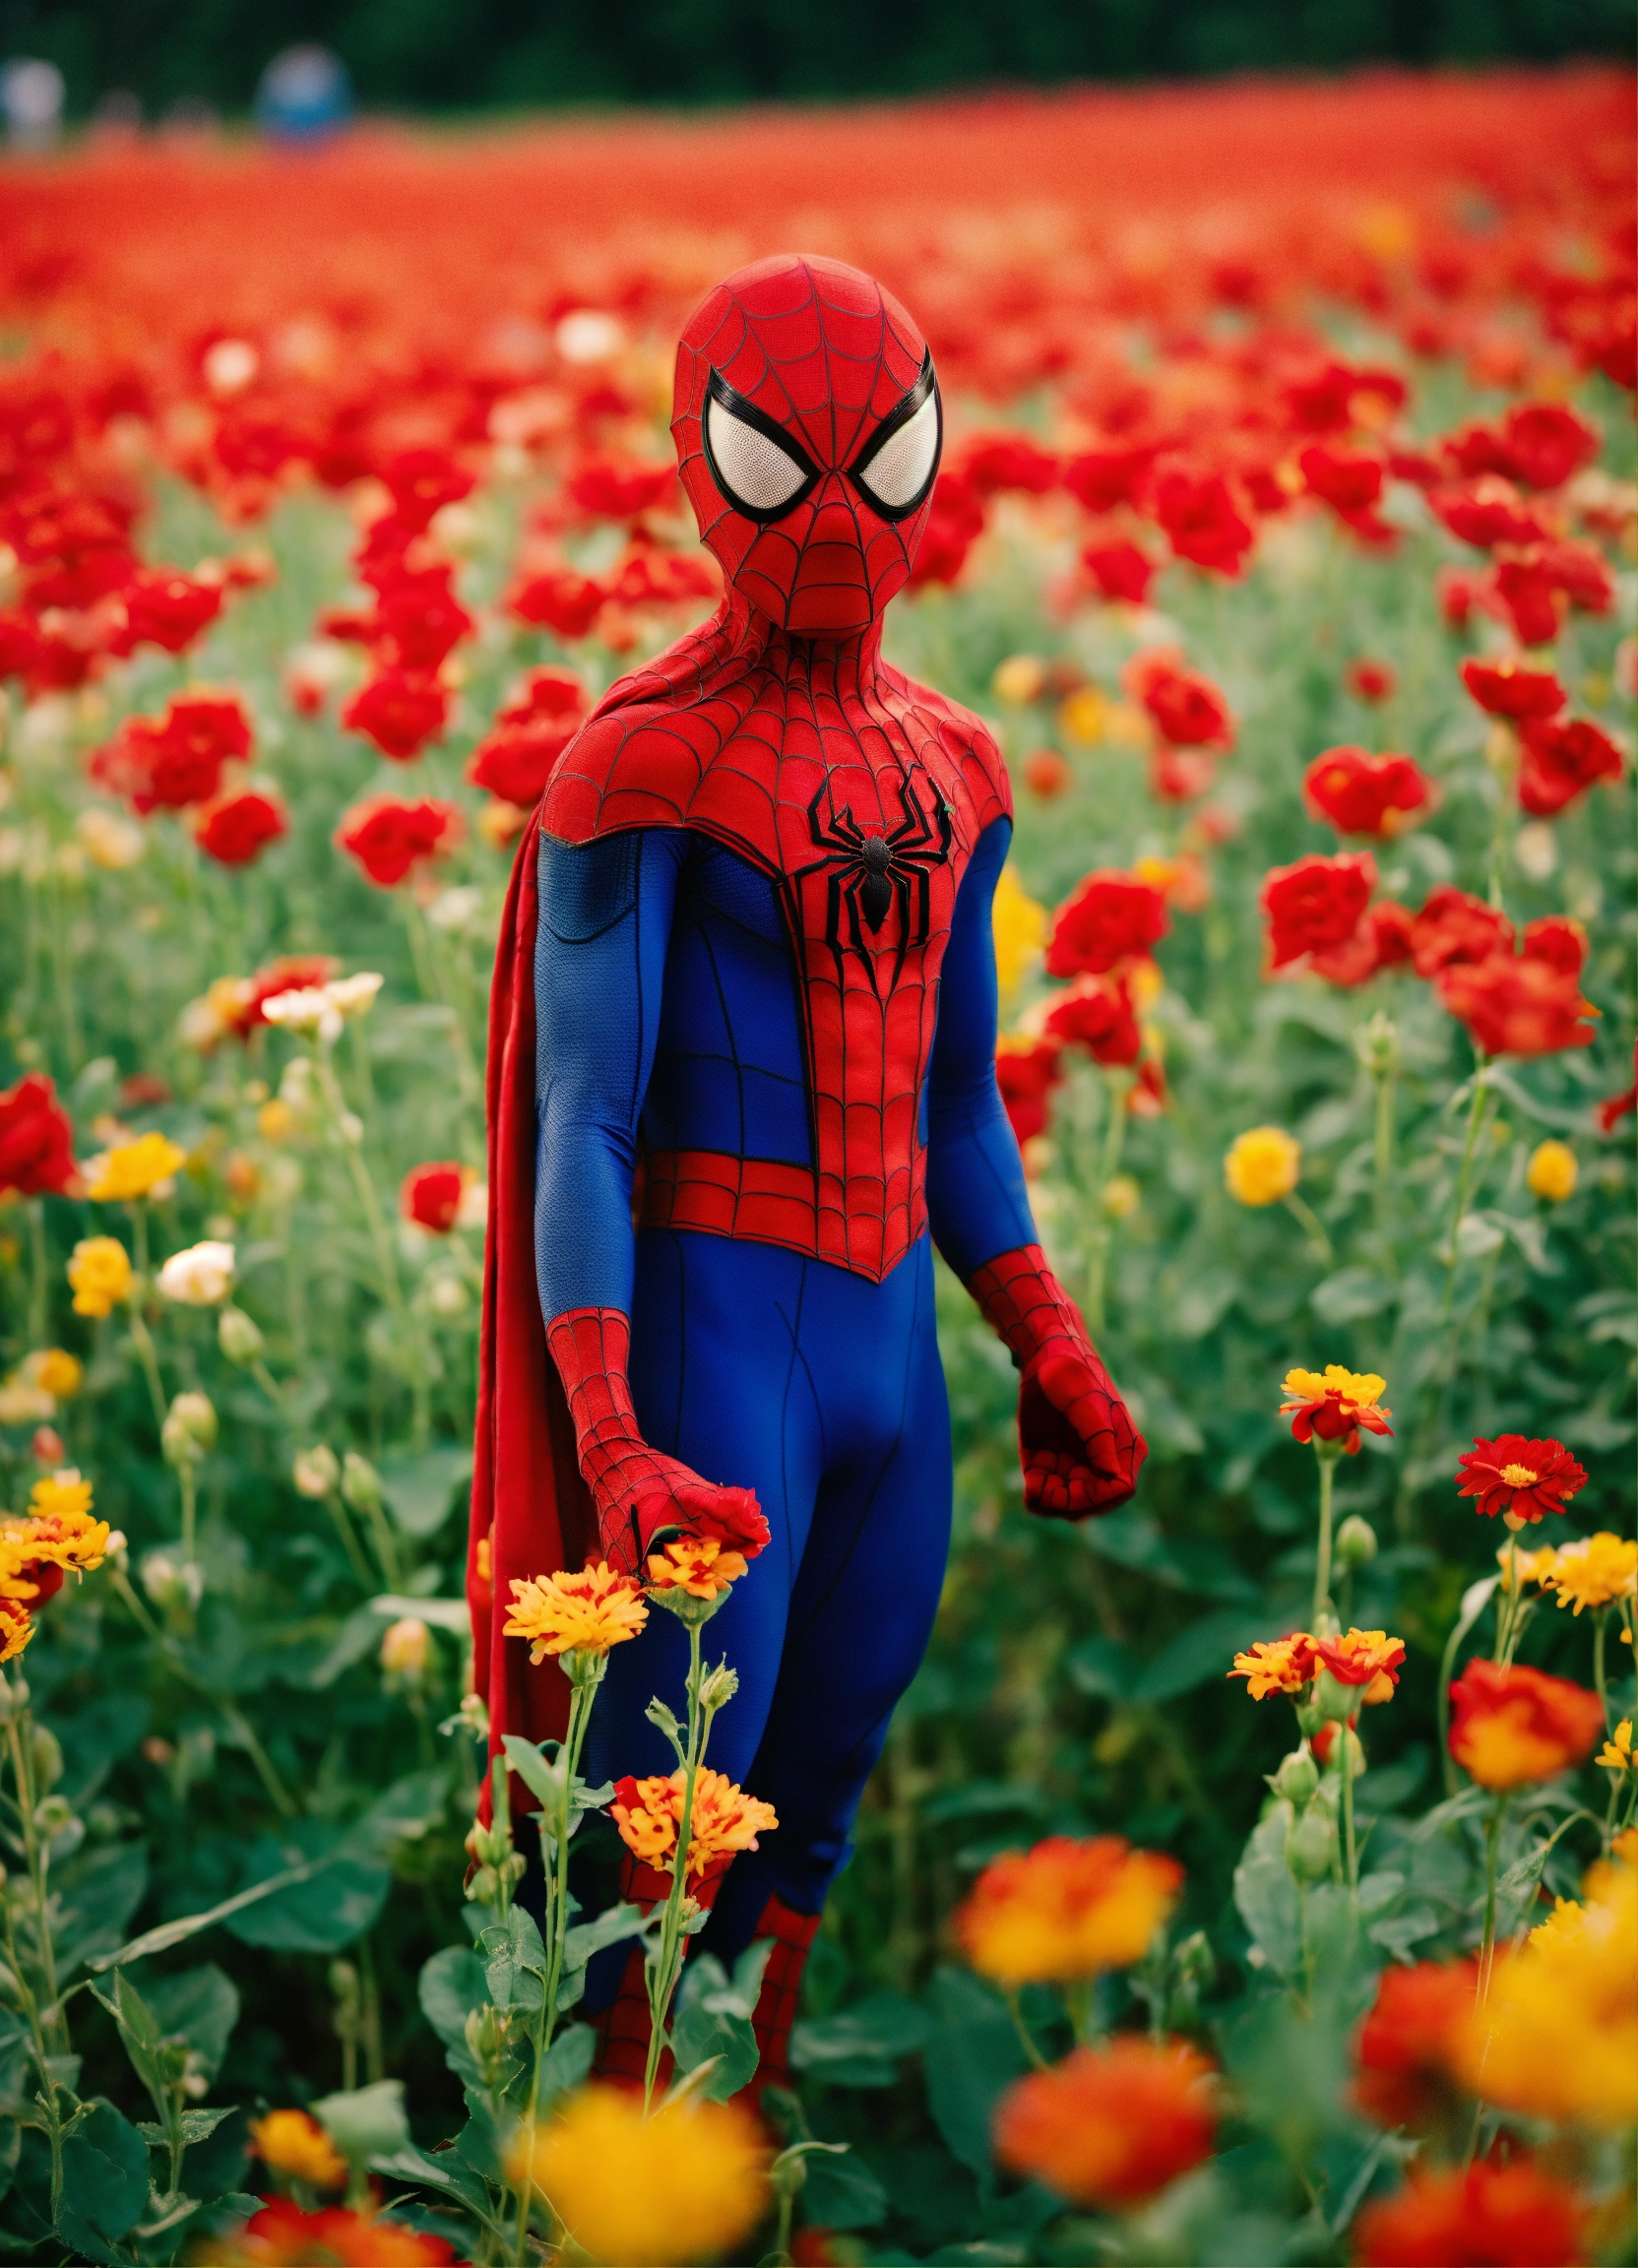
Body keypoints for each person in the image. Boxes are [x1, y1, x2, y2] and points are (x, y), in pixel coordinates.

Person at [469, 252, 1146, 2093]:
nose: (836, 513)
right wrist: (608, 1430)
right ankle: (615, 2178)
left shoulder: (962, 763)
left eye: (880, 455)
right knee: (652, 1848)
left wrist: (1046, 1338)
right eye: (788, 463)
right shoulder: (639, 765)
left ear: (931, 456)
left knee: (812, 1811)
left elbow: (958, 1105)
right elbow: (586, 1117)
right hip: (709, 1346)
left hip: (885, 1370)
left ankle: (737, 2159)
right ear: (708, 470)